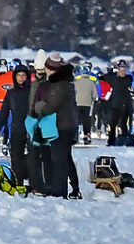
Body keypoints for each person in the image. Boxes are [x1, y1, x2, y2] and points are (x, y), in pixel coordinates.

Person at [30, 54, 79, 198]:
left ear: (50, 68)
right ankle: (70, 188)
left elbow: (51, 106)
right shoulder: (66, 83)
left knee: (59, 160)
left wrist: (39, 108)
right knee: (64, 158)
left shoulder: (58, 85)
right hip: (67, 125)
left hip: (61, 127)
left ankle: (59, 192)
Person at [73, 64, 99, 144]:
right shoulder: (91, 83)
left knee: (76, 120)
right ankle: (86, 136)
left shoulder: (76, 82)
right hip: (88, 104)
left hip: (77, 103)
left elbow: (73, 92)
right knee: (86, 121)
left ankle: (75, 136)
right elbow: (95, 95)